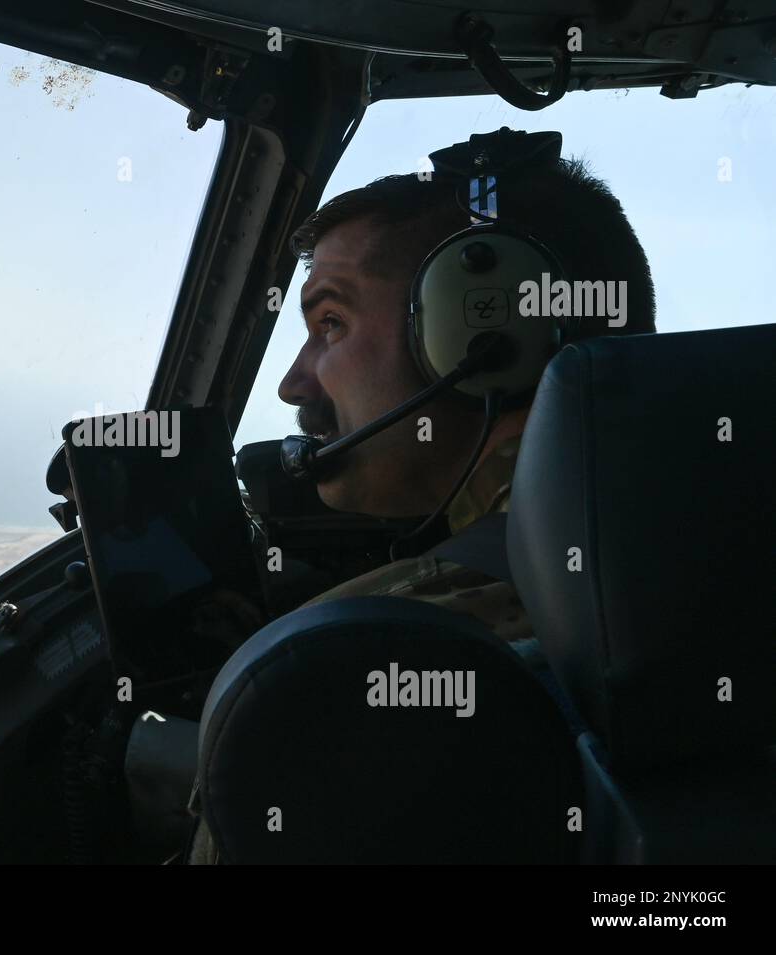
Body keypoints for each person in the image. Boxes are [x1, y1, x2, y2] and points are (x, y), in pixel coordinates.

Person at [186, 140, 656, 864]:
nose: (295, 382)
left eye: (330, 325)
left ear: (482, 334)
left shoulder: (354, 663)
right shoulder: (691, 561)